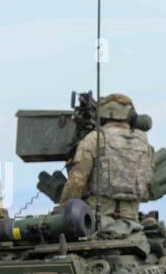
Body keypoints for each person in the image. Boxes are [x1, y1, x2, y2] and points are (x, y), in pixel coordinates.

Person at [60, 93, 155, 221]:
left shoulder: (94, 139)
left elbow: (77, 182)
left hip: (98, 220)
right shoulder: (144, 143)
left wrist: (64, 210)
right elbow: (148, 188)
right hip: (131, 221)